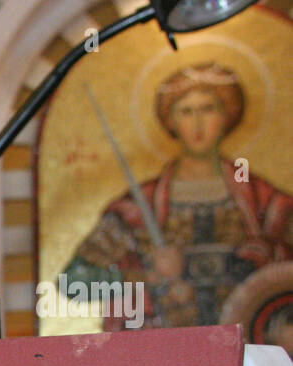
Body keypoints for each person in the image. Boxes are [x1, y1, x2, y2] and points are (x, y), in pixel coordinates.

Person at [63, 63, 293, 330]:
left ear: (226, 116)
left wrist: (266, 258)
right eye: (186, 111)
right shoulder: (137, 207)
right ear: (171, 121)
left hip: (249, 356)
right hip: (161, 357)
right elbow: (73, 283)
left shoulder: (263, 200)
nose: (197, 123)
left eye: (208, 109)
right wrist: (146, 276)